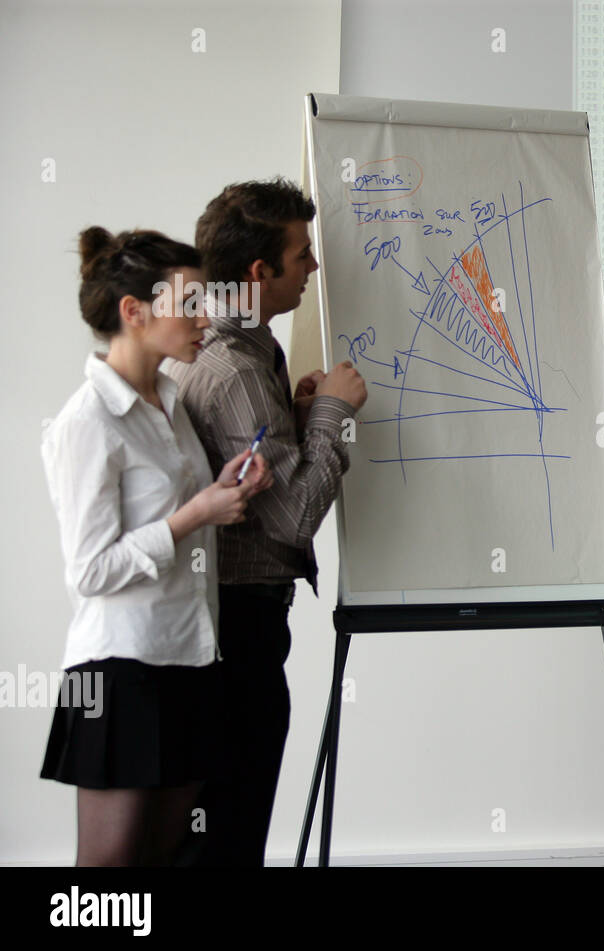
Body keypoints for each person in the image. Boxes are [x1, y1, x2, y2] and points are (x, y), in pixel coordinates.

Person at [40, 227, 271, 865]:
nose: (206, 318)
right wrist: (192, 517)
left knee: (160, 860)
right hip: (122, 669)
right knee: (107, 874)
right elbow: (90, 571)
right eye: (191, 304)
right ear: (134, 312)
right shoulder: (87, 422)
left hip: (189, 659)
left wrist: (219, 490)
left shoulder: (168, 404)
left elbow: (174, 511)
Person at [163, 178, 368, 866]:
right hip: (241, 631)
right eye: (302, 255)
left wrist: (302, 415)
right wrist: (335, 414)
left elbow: (265, 478)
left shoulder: (243, 354)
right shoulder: (240, 369)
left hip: (231, 627)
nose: (313, 268)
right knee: (229, 833)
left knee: (219, 829)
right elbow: (294, 518)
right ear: (260, 272)